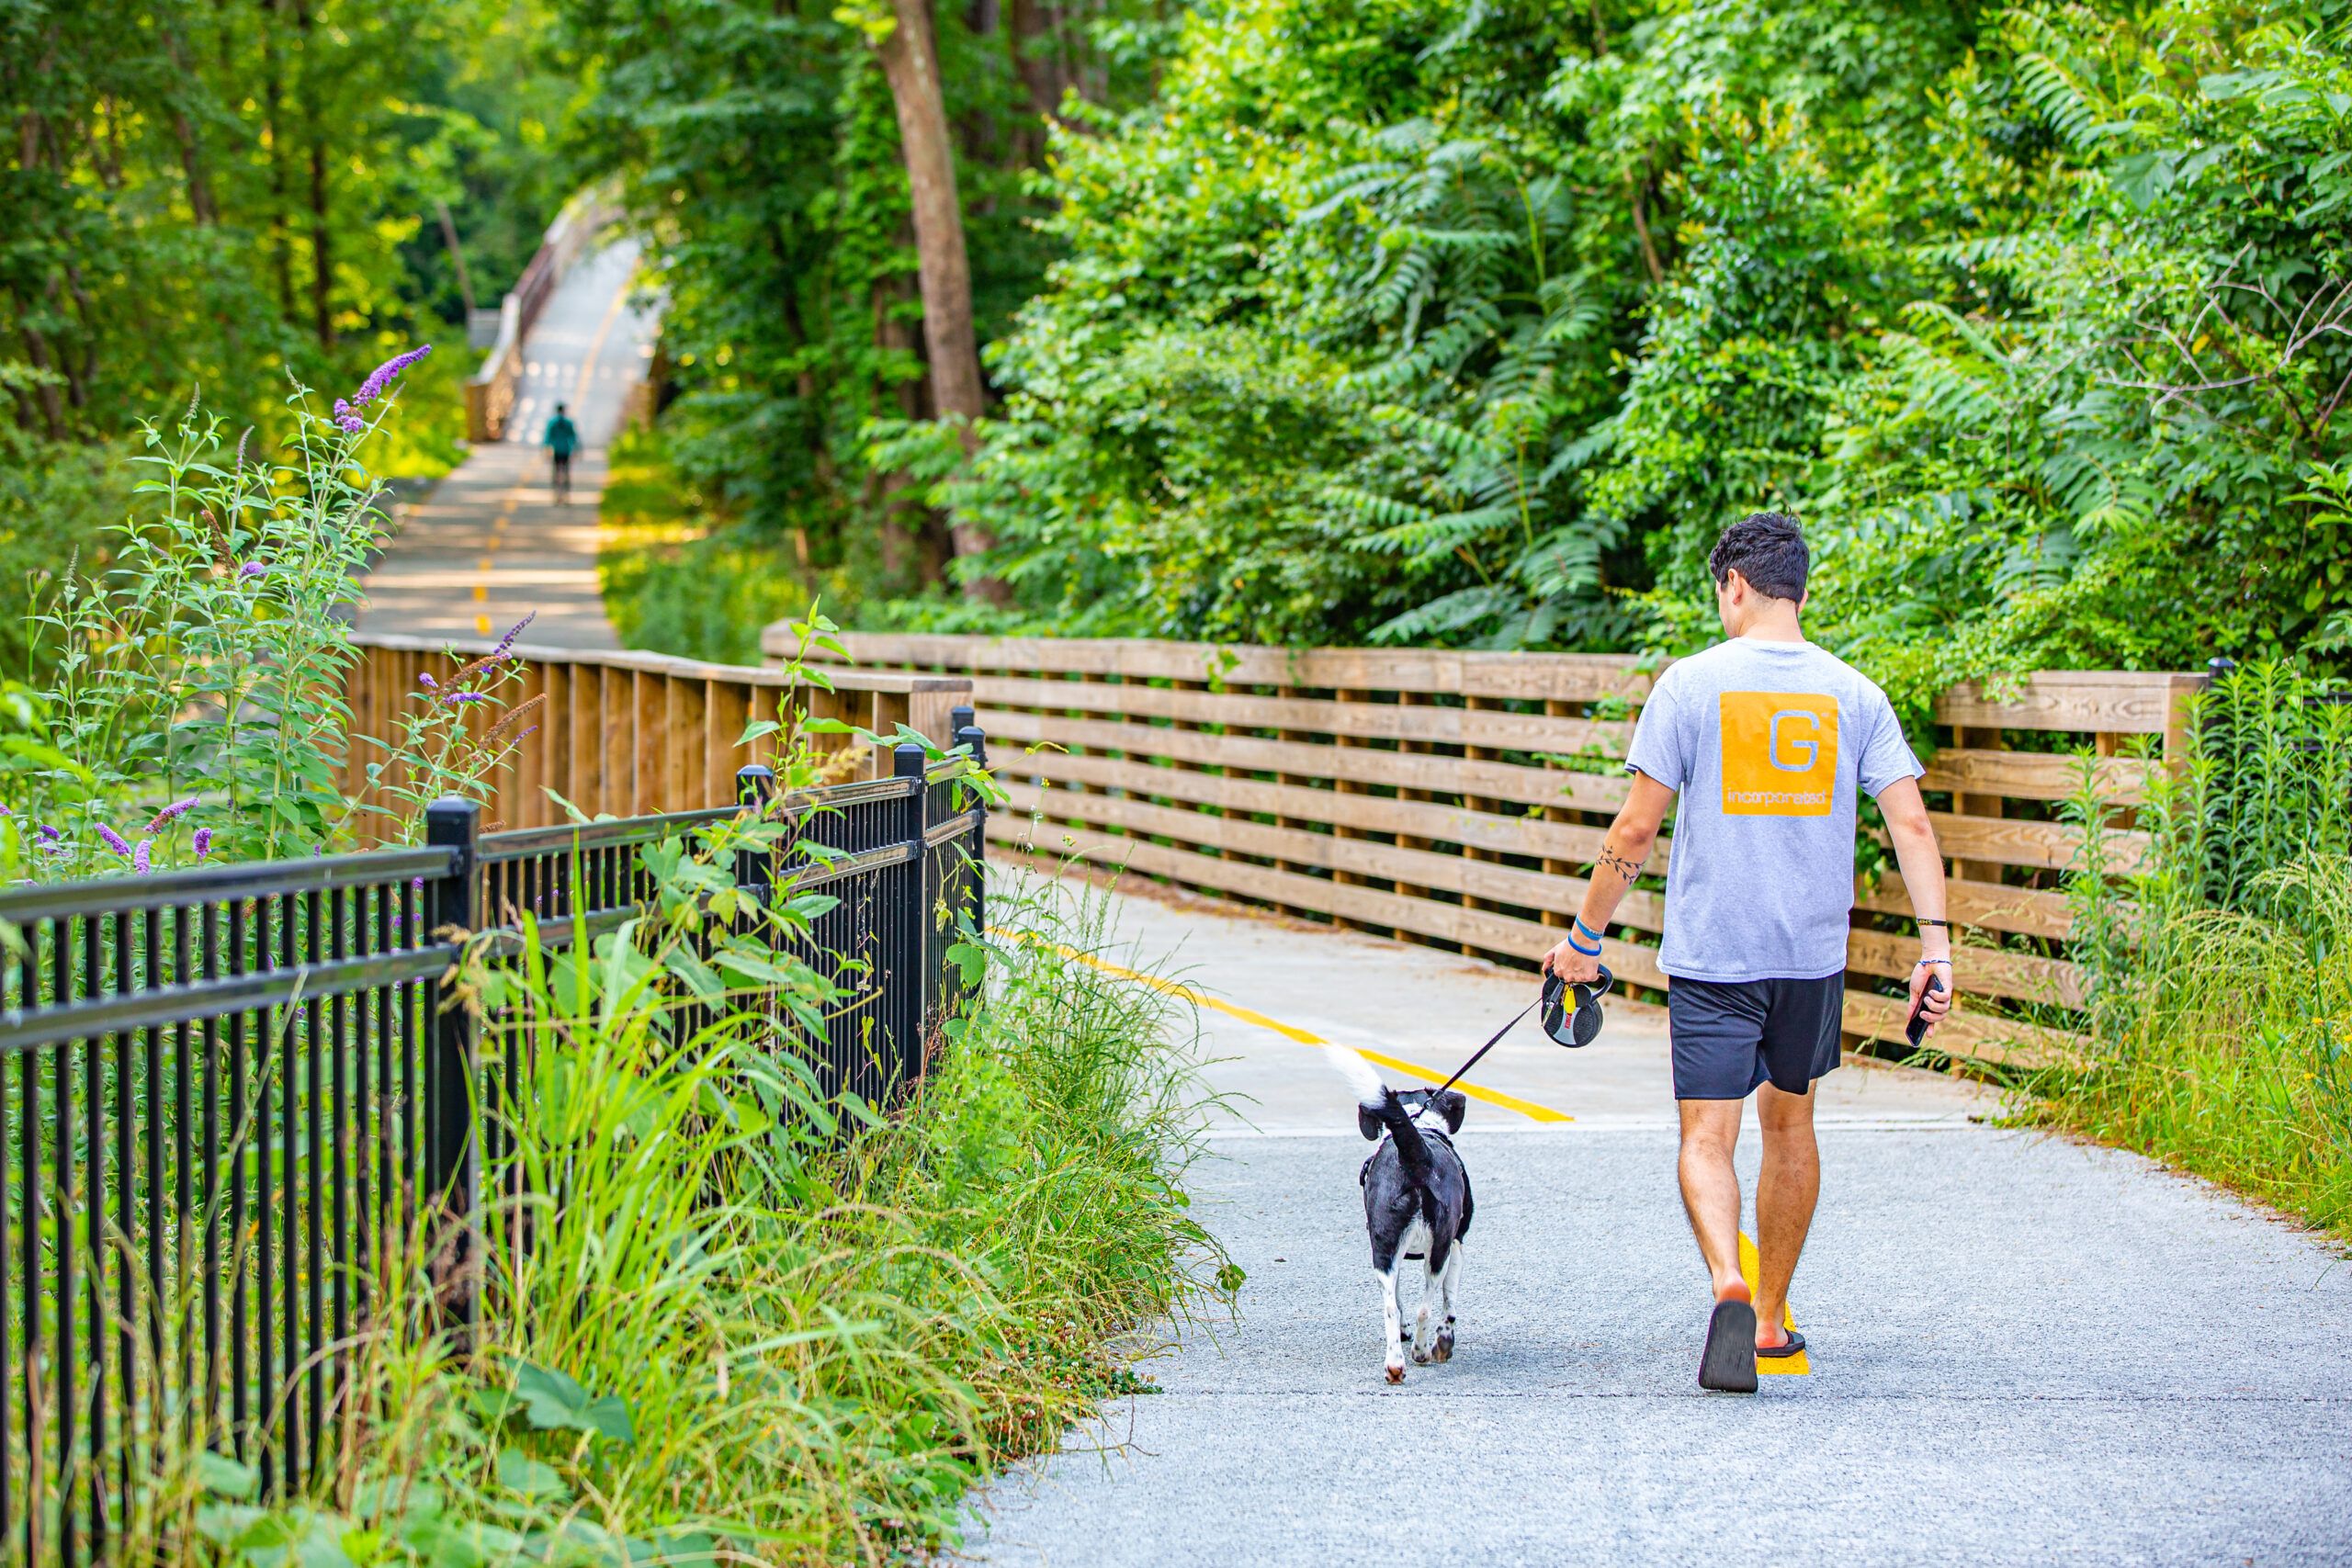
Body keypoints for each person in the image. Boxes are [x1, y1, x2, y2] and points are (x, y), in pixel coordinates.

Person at [1541, 512, 1955, 1393]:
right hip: (1810, 956)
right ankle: (1768, 1320)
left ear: (1734, 584)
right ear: (1801, 588)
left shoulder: (1689, 686)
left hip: (1714, 956)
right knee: (1792, 1126)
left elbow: (1636, 828)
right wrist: (1936, 949)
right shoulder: (1855, 693)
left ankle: (1728, 1277)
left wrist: (1583, 939)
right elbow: (1911, 821)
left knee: (1707, 1134)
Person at [543, 402, 579, 502]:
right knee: (566, 472)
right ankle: (566, 494)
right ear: (564, 411)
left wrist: (546, 449)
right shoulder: (568, 422)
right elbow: (573, 437)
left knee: (556, 472)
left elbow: (548, 438)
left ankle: (556, 494)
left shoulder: (552, 422)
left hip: (556, 450)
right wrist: (576, 449)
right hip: (566, 450)